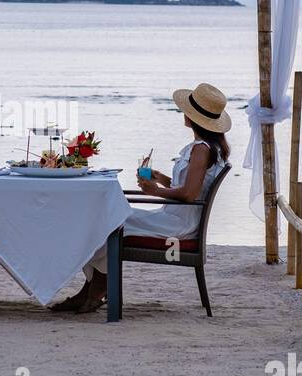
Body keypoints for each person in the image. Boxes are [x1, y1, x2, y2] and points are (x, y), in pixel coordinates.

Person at [53, 82, 231, 314]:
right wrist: (160, 178)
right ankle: (90, 289)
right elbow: (187, 186)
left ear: (193, 117)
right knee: (103, 218)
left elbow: (189, 194)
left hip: (177, 226)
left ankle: (96, 289)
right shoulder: (205, 147)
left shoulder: (201, 149)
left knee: (106, 222)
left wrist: (155, 192)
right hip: (173, 216)